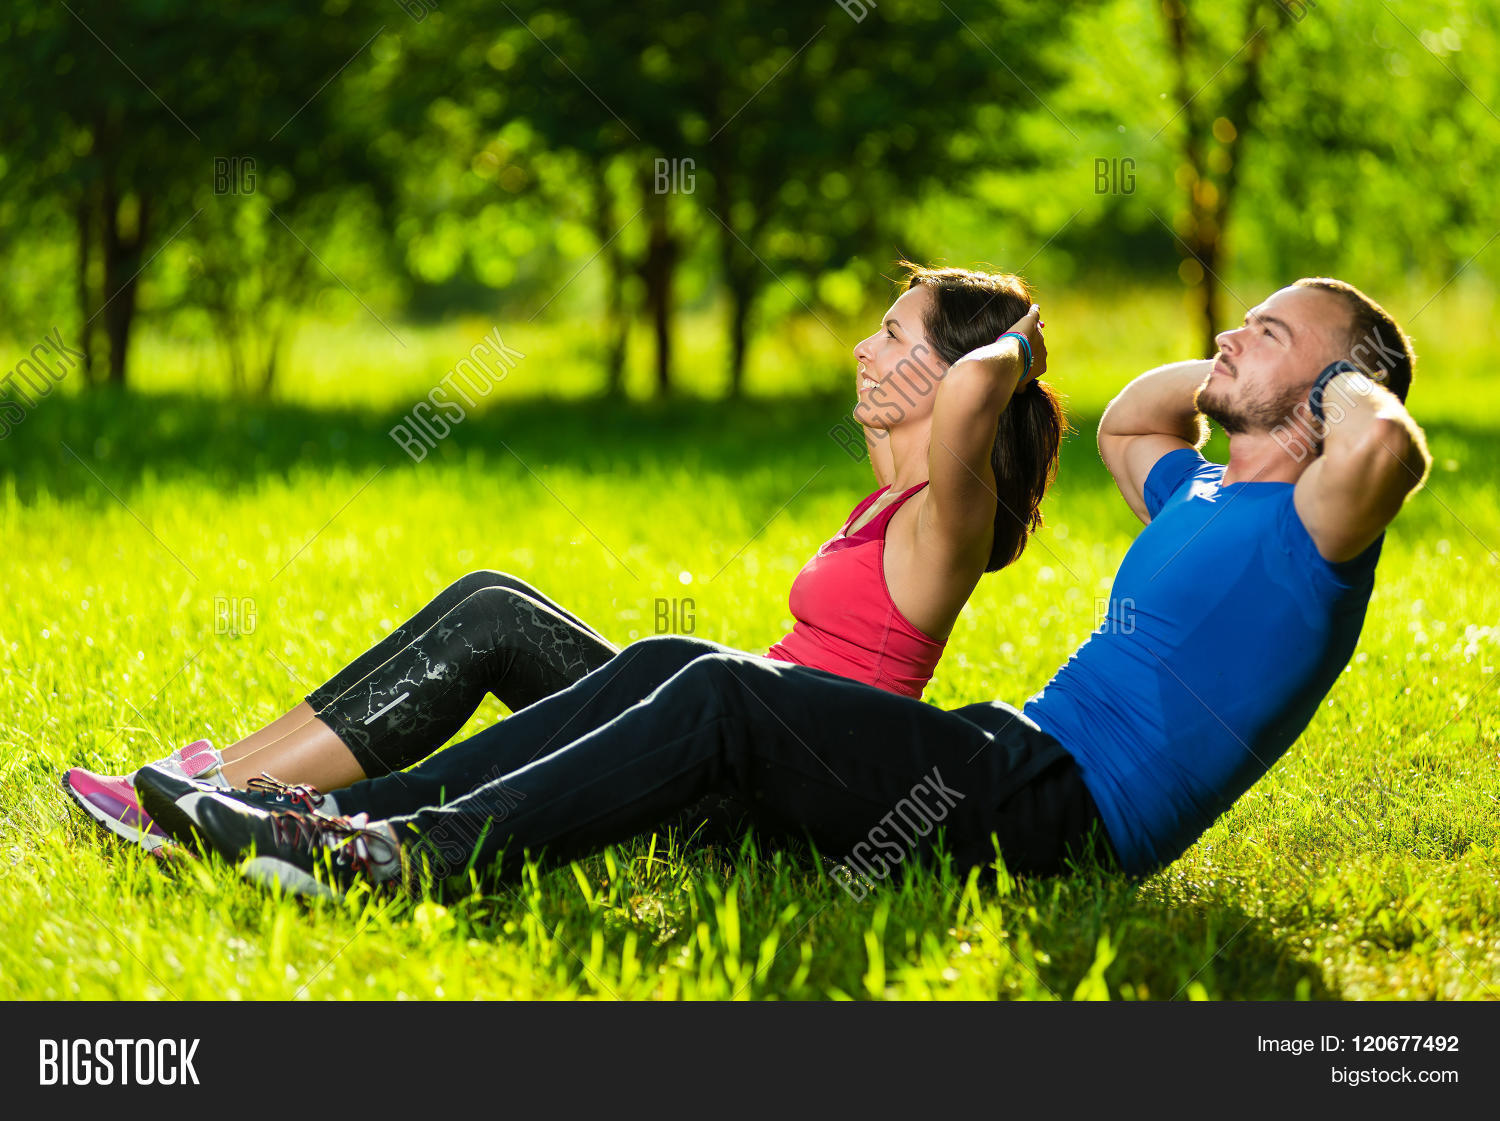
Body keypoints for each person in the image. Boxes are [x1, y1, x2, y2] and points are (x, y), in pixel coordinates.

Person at [137, 276, 1432, 900]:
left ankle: (407, 861)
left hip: (1071, 815)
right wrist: (1234, 369)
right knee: (670, 665)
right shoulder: (1209, 495)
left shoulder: (1324, 522)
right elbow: (1130, 427)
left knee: (720, 692)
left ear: (1335, 384)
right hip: (1010, 752)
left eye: (1269, 329)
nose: (1228, 336)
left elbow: (1388, 445)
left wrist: (1336, 379)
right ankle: (339, 823)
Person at [66, 262, 1065, 852]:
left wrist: (1019, 341)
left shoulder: (948, 524)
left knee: (504, 622)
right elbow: (927, 410)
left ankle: (246, 806)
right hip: (721, 743)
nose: (859, 347)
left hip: (754, 793)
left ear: (950, 374)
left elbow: (975, 396)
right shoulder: (888, 496)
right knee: (495, 599)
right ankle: (221, 785)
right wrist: (908, 390)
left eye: (890, 335)